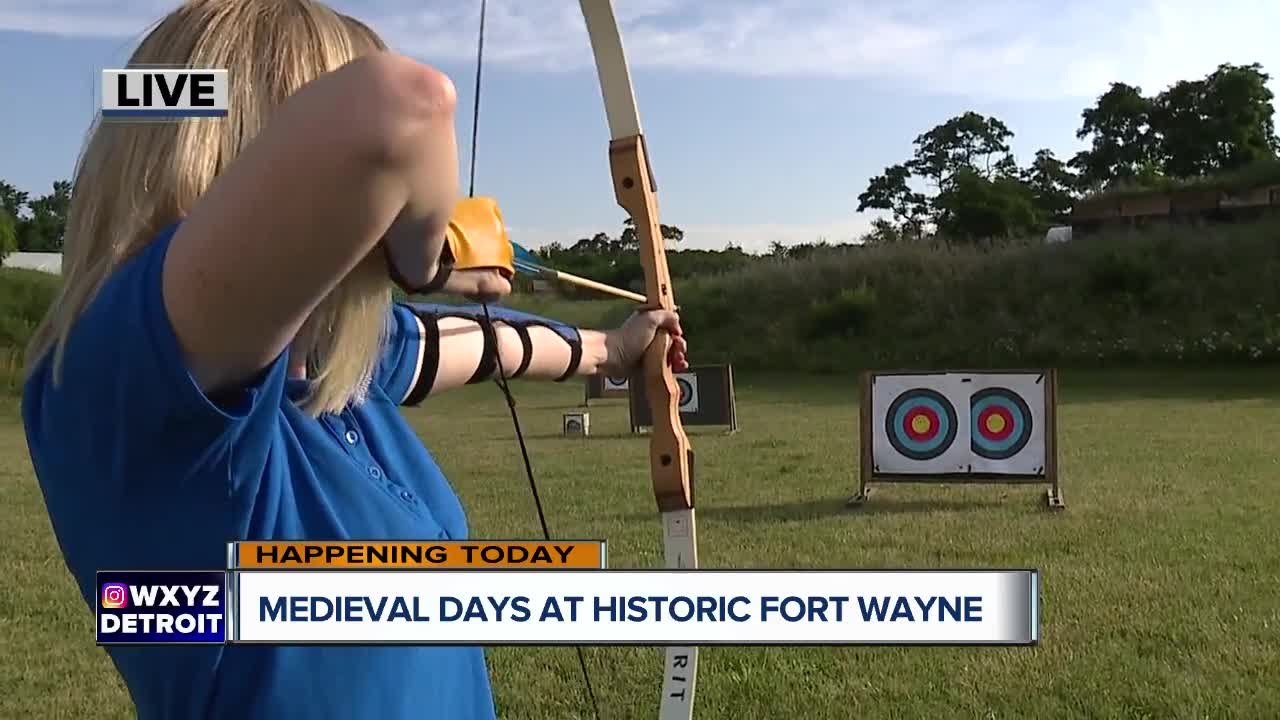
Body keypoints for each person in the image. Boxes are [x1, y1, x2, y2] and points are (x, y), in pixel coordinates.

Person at [20, 1, 687, 718]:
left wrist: (609, 350)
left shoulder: (324, 373)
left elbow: (475, 346)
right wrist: (422, 257)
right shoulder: (129, 390)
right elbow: (403, 108)